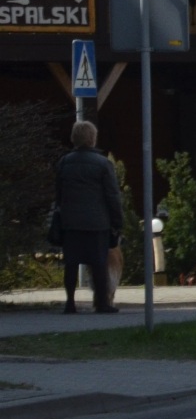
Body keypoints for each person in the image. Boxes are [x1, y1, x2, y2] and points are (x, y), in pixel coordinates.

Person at [54, 121, 124, 314]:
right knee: (99, 263)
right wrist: (117, 221)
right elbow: (112, 195)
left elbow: (59, 194)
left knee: (71, 264)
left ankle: (70, 302)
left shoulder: (64, 162)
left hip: (71, 223)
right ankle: (102, 303)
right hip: (97, 222)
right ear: (93, 139)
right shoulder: (103, 163)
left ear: (73, 139)